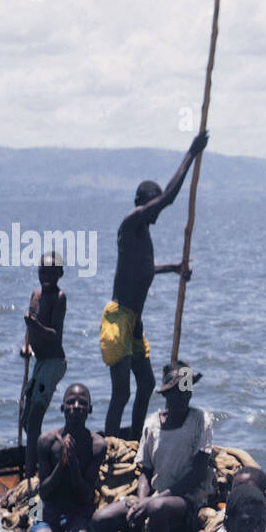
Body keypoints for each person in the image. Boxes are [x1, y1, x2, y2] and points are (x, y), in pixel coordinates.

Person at [101, 131, 208, 440]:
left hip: (134, 321)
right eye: (153, 205)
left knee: (146, 385)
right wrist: (191, 153)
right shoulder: (132, 222)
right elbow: (170, 198)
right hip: (118, 318)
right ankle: (111, 448)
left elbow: (143, 271)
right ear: (142, 204)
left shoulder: (142, 234)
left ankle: (135, 440)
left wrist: (174, 268)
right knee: (121, 391)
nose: (157, 211)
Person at [93, 360, 212, 532]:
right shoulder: (152, 424)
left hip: (185, 498)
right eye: (178, 393)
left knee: (157, 508)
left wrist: (151, 503)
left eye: (187, 392)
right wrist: (141, 500)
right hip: (154, 496)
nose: (184, 398)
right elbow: (145, 472)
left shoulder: (200, 420)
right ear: (166, 395)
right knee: (100, 520)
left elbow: (197, 473)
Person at [31, 383, 105, 532]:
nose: (76, 406)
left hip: (79, 509)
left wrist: (73, 466)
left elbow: (86, 496)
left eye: (82, 402)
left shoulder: (97, 445)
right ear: (62, 408)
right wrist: (61, 465)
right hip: (44, 507)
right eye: (70, 402)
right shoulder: (46, 441)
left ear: (89, 409)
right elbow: (43, 493)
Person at [22, 252, 68, 480]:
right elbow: (29, 327)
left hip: (54, 363)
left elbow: (54, 336)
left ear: (60, 273)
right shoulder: (35, 295)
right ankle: (42, 460)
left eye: (52, 272)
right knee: (25, 420)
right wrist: (26, 346)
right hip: (39, 362)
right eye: (43, 272)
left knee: (34, 419)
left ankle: (31, 475)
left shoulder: (59, 297)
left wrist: (36, 326)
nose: (46, 277)